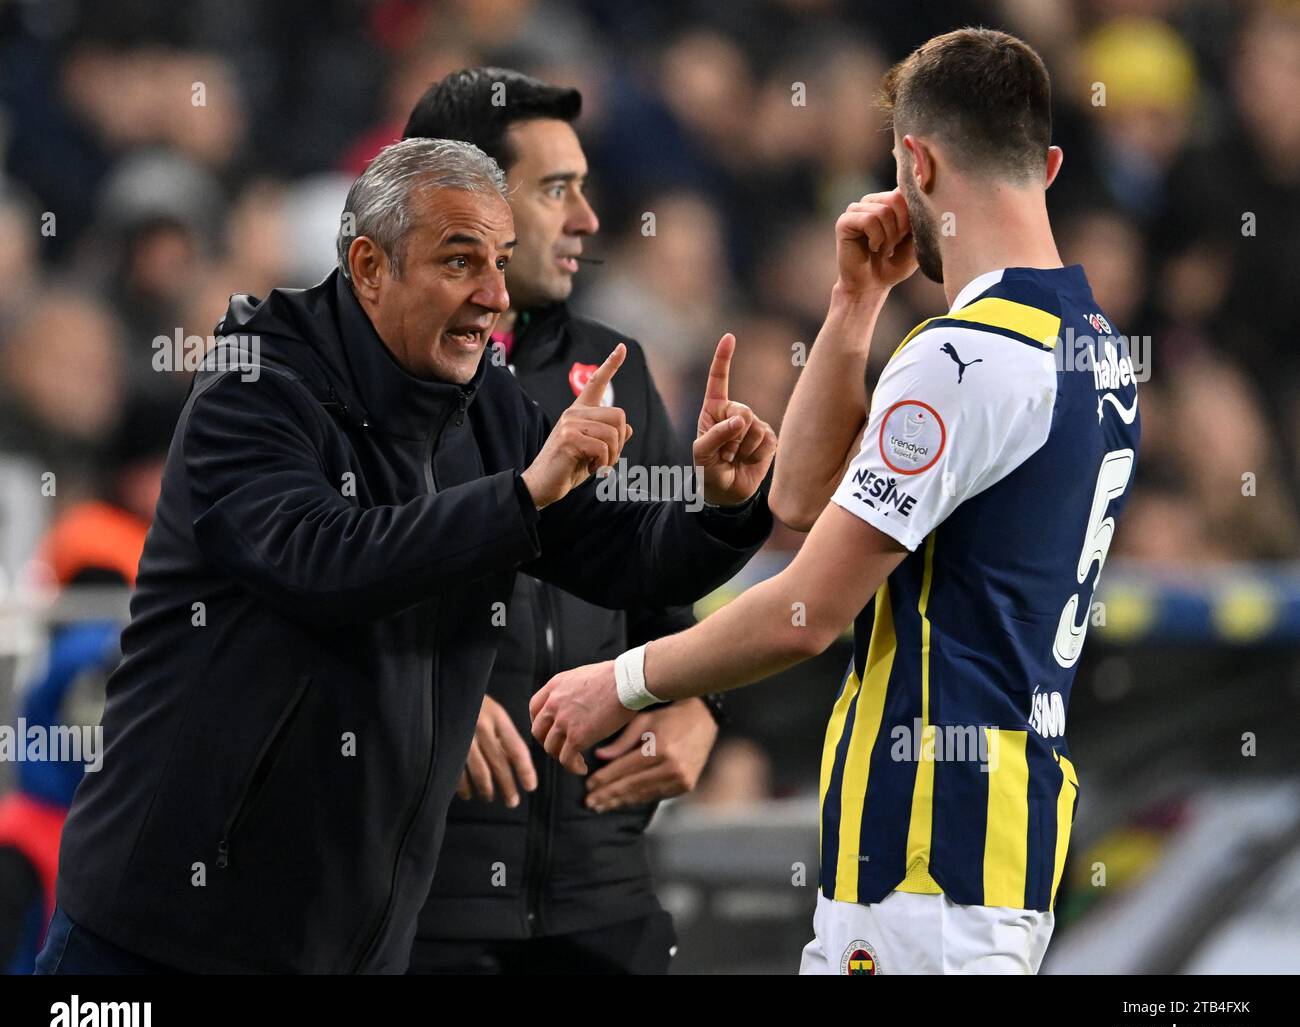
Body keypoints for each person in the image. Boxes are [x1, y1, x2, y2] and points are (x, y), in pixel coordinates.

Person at [37, 137, 776, 974]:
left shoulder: (488, 406)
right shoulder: (254, 386)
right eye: (460, 262)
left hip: (355, 947)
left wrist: (719, 502)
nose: (494, 296)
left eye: (500, 262)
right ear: (369, 265)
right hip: (164, 935)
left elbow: (624, 557)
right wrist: (524, 495)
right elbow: (324, 561)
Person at [529, 28, 1141, 975]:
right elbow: (806, 498)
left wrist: (620, 679)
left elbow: (809, 610)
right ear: (1048, 165)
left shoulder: (961, 356)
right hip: (996, 846)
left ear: (915, 163)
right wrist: (854, 305)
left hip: (925, 853)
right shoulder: (1097, 348)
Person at [398, 69, 727, 975]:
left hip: (603, 893)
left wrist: (701, 702)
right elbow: (294, 598)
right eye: (555, 190)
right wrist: (416, 704)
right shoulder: (356, 378)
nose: (587, 219)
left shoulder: (612, 369)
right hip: (424, 901)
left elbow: (662, 595)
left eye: (583, 187)